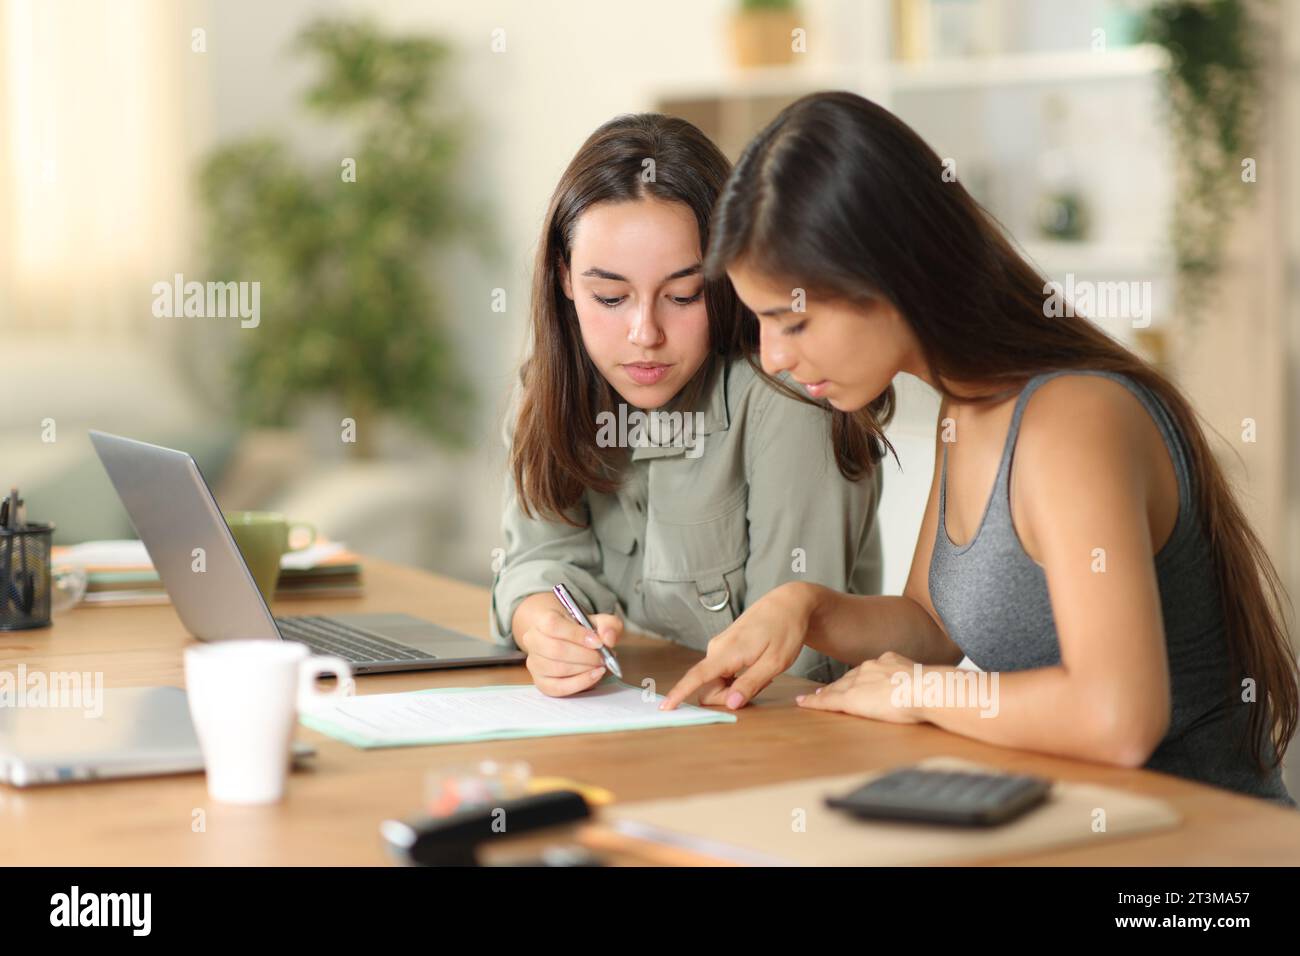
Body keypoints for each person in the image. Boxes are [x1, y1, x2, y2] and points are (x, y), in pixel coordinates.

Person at [663, 91, 1296, 805]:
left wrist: (920, 691)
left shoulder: (1070, 419)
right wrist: (806, 607)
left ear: (888, 276)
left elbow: (1118, 719)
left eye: (792, 322)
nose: (772, 356)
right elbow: (935, 624)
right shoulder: (967, 405)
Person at [491, 112, 884, 699]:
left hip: (776, 742)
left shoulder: (790, 398)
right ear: (564, 278)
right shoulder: (549, 387)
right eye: (610, 296)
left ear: (727, 280)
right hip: (643, 721)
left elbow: (794, 674)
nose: (645, 332)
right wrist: (542, 625)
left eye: (682, 295)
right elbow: (536, 561)